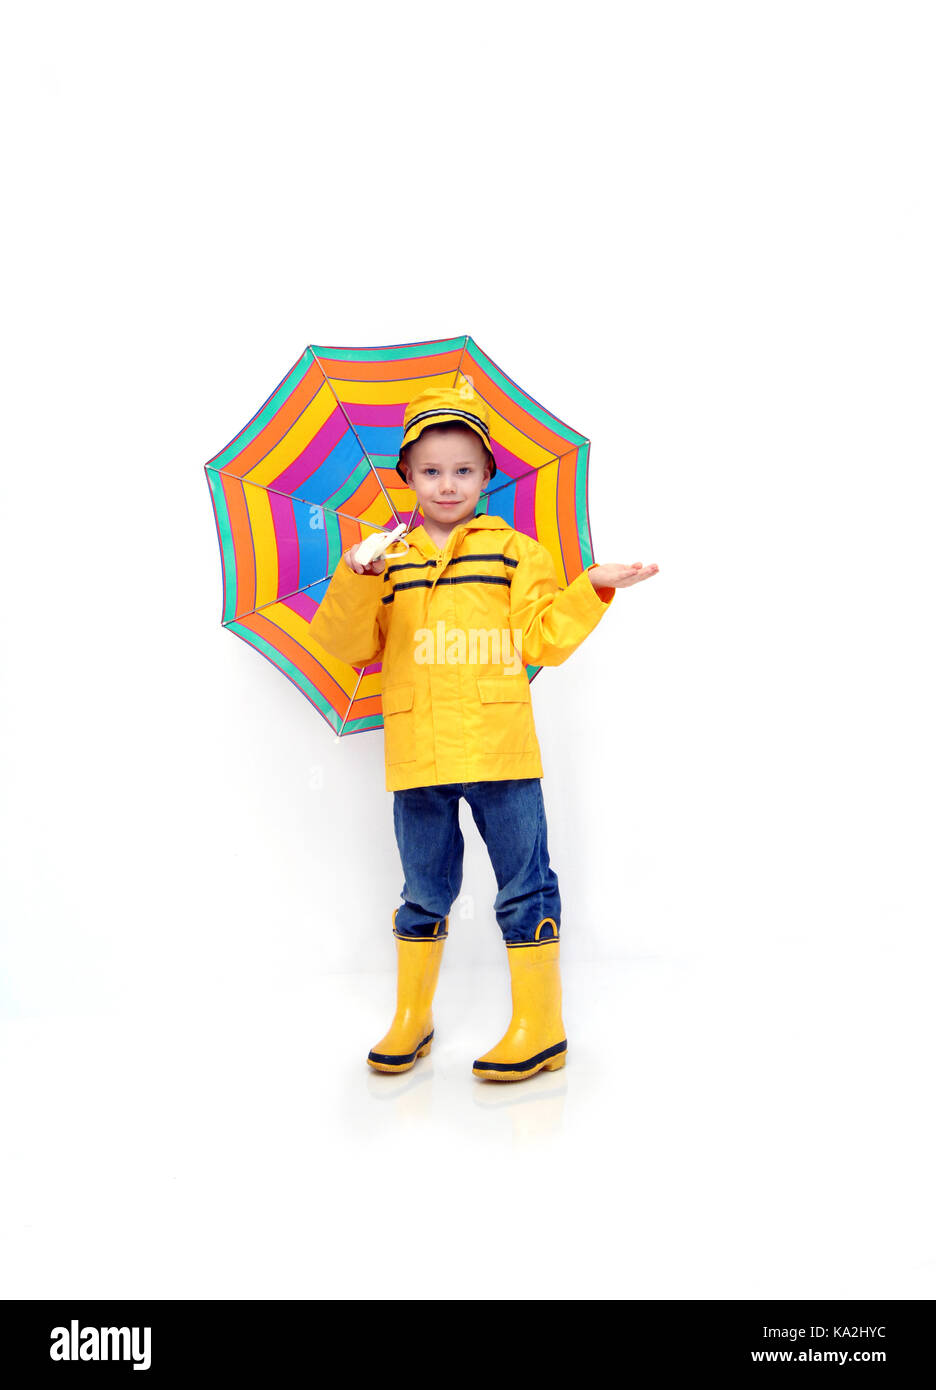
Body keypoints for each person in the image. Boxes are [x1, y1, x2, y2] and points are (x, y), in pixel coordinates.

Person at [308, 381, 658, 1081]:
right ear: (406, 474)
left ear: (488, 475)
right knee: (422, 890)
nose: (447, 484)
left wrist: (591, 585)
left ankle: (540, 1025)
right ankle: (413, 1016)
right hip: (418, 753)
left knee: (525, 885)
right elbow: (349, 646)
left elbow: (542, 639)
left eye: (464, 469)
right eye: (431, 470)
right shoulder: (384, 558)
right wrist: (354, 574)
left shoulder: (513, 552)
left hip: (500, 751)